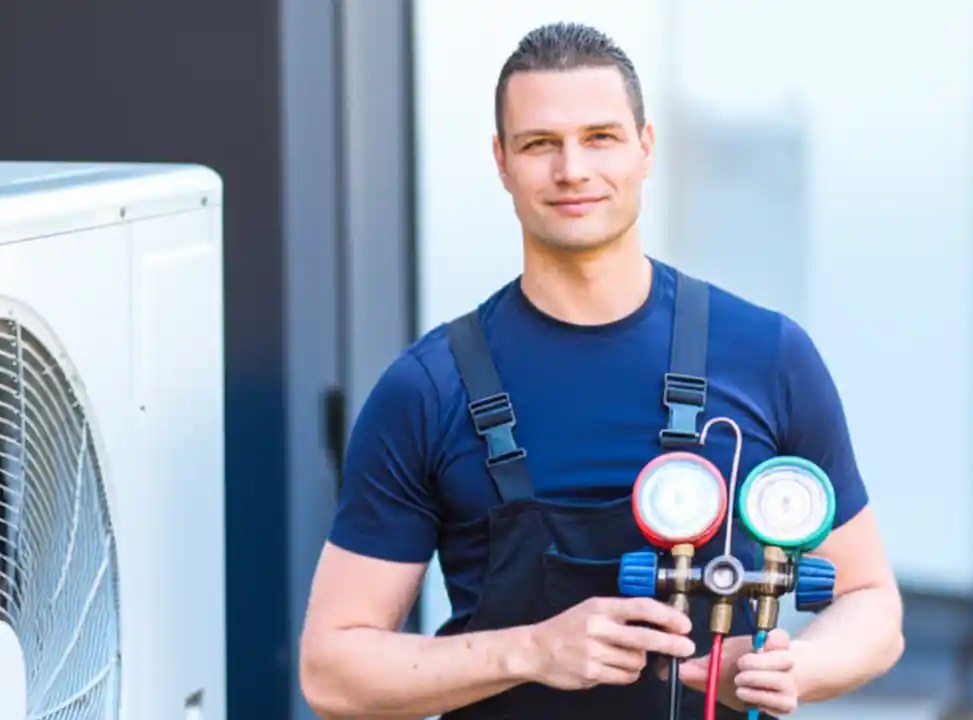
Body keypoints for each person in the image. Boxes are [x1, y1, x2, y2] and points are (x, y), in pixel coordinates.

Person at [299, 21, 904, 720]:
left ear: (645, 148)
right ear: (501, 161)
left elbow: (872, 605)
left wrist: (797, 667)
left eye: (600, 137)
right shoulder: (427, 389)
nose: (572, 170)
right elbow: (331, 673)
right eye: (539, 144)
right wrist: (531, 651)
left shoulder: (768, 354)